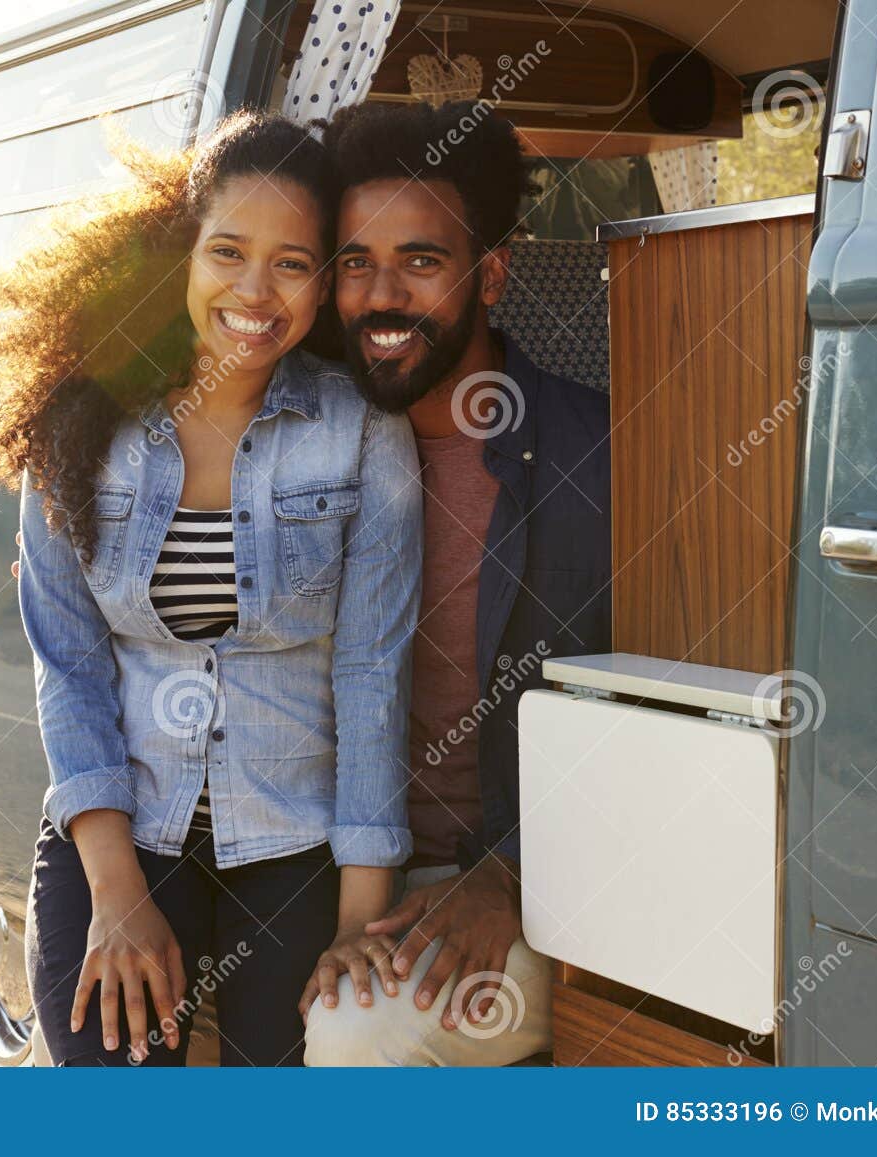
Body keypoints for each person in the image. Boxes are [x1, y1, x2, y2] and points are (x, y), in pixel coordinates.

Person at [0, 110, 422, 1066]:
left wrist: (359, 924)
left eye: (294, 263)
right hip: (124, 836)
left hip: (296, 850)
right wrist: (117, 892)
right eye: (228, 251)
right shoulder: (77, 423)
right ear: (181, 253)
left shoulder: (362, 434)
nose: (255, 291)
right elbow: (70, 667)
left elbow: (373, 673)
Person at [298, 101, 612, 1066]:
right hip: (330, 864)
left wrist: (509, 875)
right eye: (355, 262)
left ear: (493, 272)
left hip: (543, 882)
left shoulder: (606, 451)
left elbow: (680, 707)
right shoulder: (295, 442)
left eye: (421, 261)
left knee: (359, 1039)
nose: (381, 296)